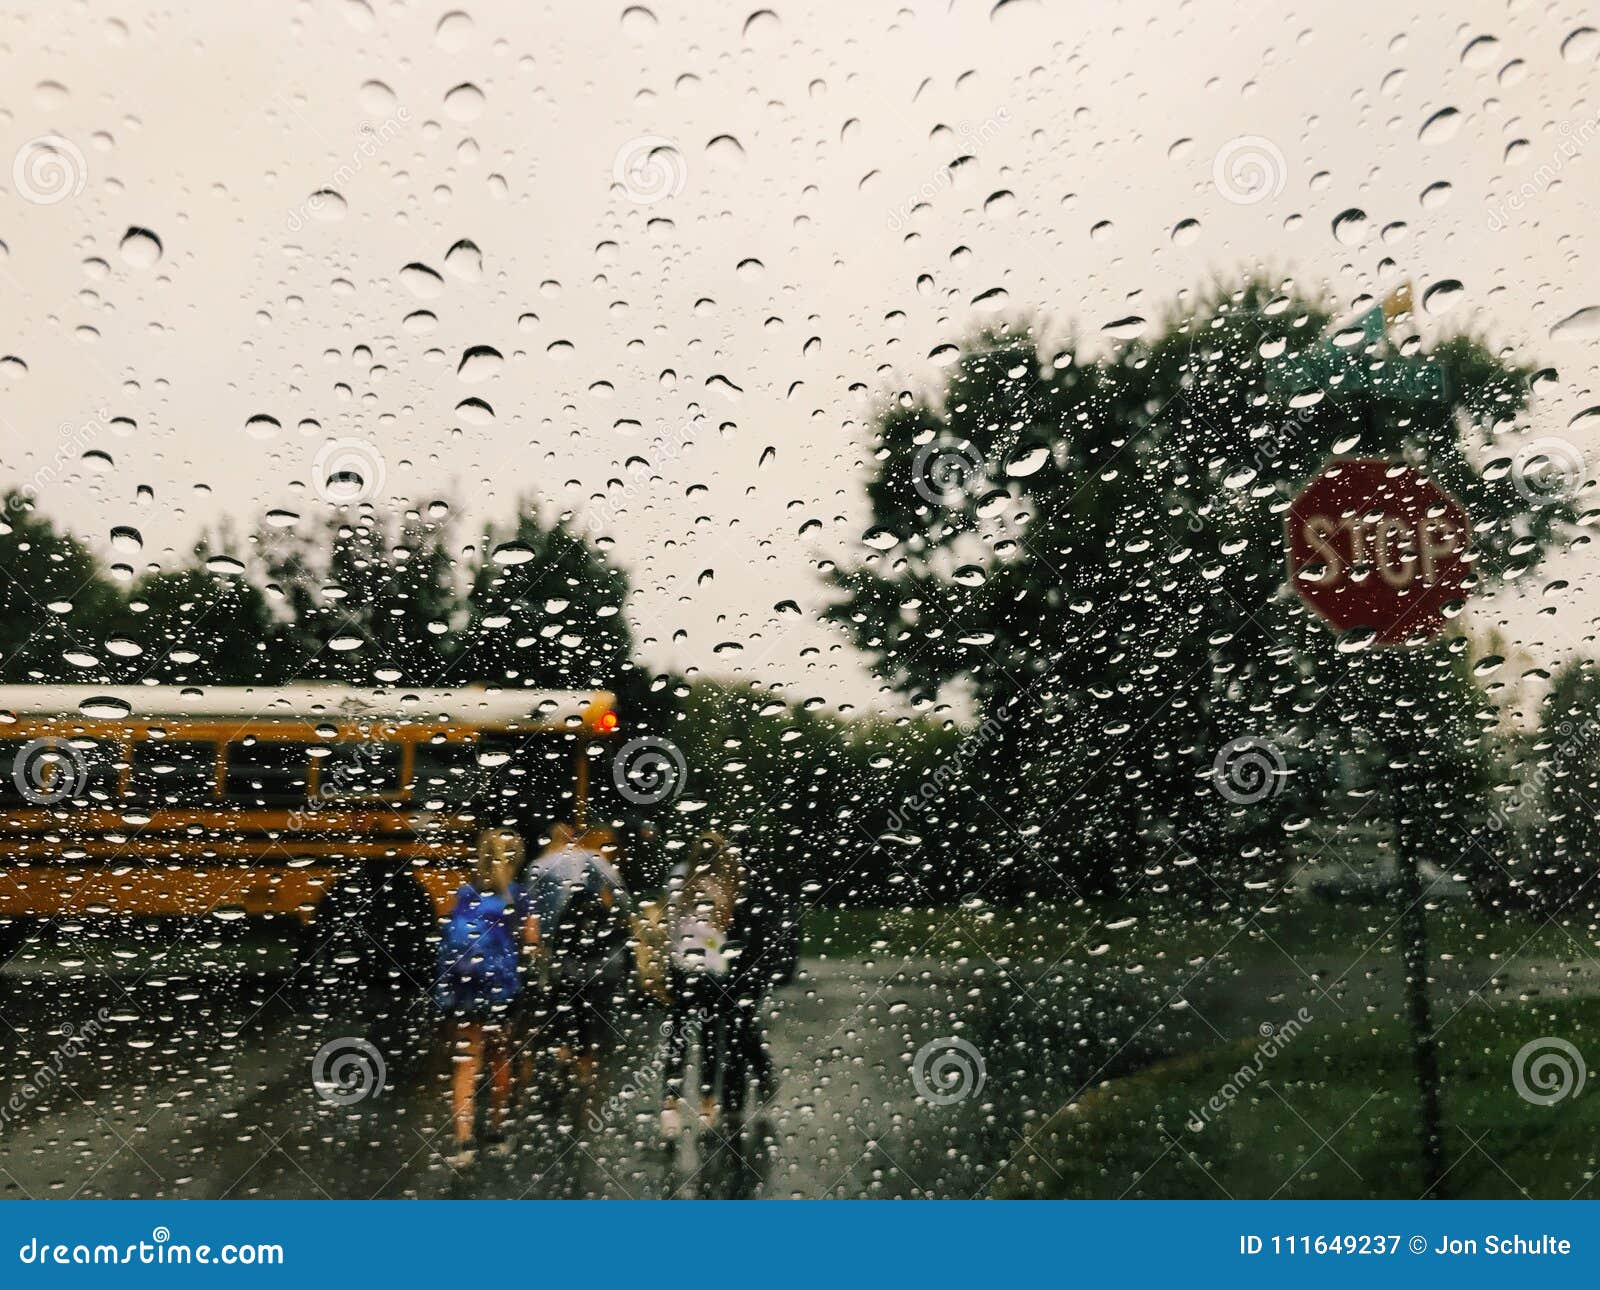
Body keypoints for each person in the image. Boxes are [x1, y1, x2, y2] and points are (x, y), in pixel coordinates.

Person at [660, 831, 798, 1140]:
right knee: (710, 1041)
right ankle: (708, 1107)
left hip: (684, 967)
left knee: (678, 1043)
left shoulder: (681, 877)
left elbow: (670, 926)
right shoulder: (729, 882)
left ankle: (670, 1107)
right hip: (714, 970)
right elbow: (725, 927)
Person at [433, 829, 530, 1168]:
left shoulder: (465, 893)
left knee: (465, 1064)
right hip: (501, 989)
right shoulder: (515, 896)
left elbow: (449, 934)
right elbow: (529, 938)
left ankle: (463, 1142)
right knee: (500, 1058)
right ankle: (497, 1130)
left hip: (464, 989)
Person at [522, 824, 635, 1087]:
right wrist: (617, 922)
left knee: (558, 997)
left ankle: (563, 1050)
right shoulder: (594, 859)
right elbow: (622, 896)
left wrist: (534, 946)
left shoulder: (540, 865)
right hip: (589, 944)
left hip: (555, 946)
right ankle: (585, 1062)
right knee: (587, 1002)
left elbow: (531, 911)